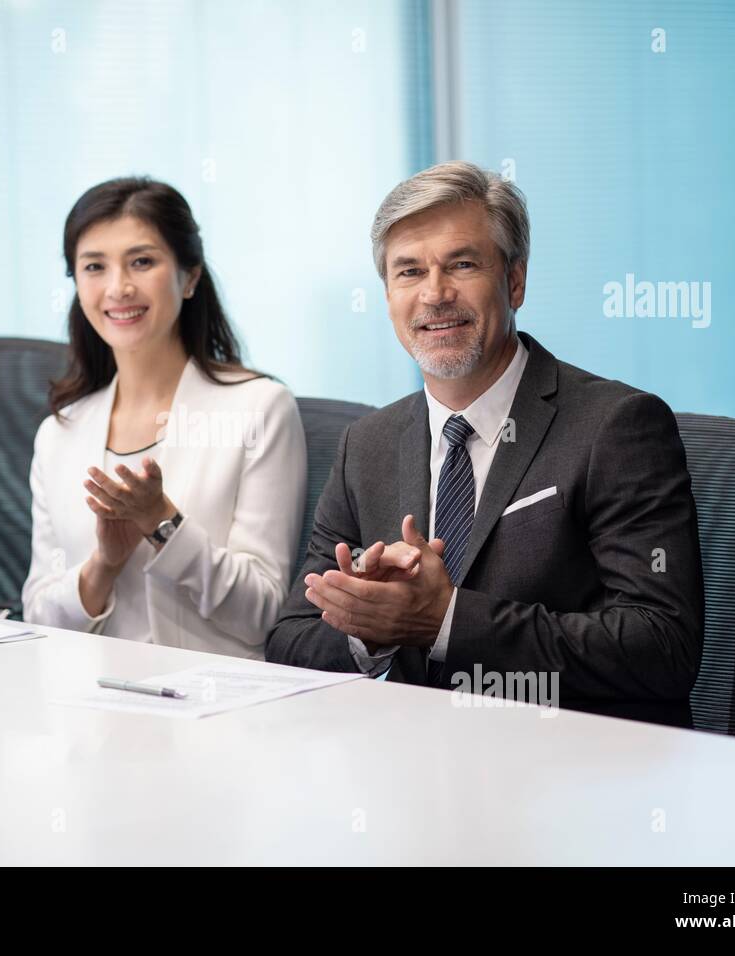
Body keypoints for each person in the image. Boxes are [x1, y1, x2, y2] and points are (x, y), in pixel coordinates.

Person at [267, 161, 704, 727]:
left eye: (462, 264)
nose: (434, 294)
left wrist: (445, 619)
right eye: (408, 272)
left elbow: (662, 645)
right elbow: (289, 639)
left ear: (515, 281)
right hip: (410, 766)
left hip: (571, 767)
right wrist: (368, 630)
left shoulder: (616, 426)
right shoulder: (367, 444)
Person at [21, 177, 305, 658]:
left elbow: (263, 613)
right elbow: (38, 615)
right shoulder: (59, 433)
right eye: (94, 266)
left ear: (190, 276)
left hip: (216, 708)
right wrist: (103, 566)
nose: (118, 287)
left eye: (142, 261)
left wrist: (163, 524)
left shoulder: (260, 409)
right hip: (88, 703)